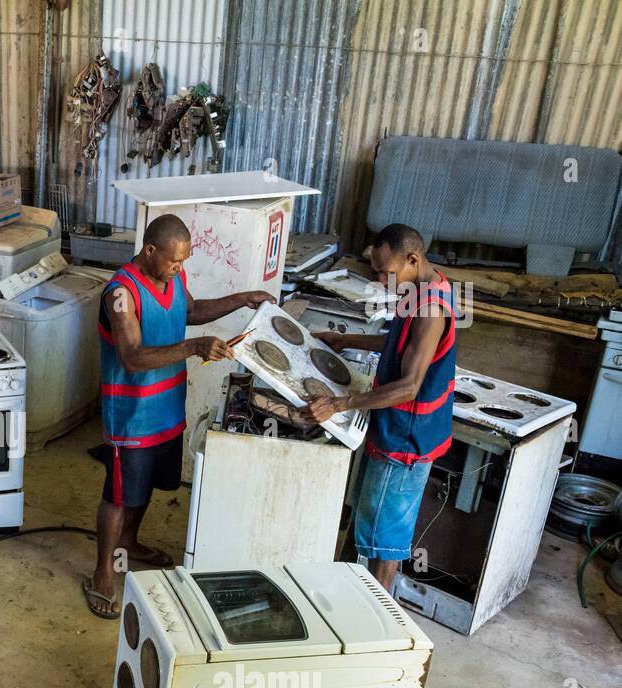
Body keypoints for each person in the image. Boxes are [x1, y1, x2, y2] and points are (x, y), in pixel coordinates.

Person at [83, 214, 275, 618]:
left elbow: (191, 310)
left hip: (167, 408)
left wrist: (243, 298)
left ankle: (128, 544)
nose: (179, 268)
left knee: (148, 485)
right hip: (131, 417)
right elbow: (132, 358)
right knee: (118, 494)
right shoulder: (120, 293)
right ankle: (103, 572)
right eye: (174, 261)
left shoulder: (172, 279)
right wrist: (193, 348)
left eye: (184, 262)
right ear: (149, 250)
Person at [308, 222, 458, 591]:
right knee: (370, 515)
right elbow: (398, 342)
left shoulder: (431, 309)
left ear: (412, 258)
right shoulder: (421, 285)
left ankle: (376, 616)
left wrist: (342, 403)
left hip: (407, 437)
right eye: (375, 271)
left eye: (384, 272)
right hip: (393, 426)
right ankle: (344, 592)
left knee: (386, 537)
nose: (379, 279)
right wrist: (346, 339)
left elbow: (409, 387)